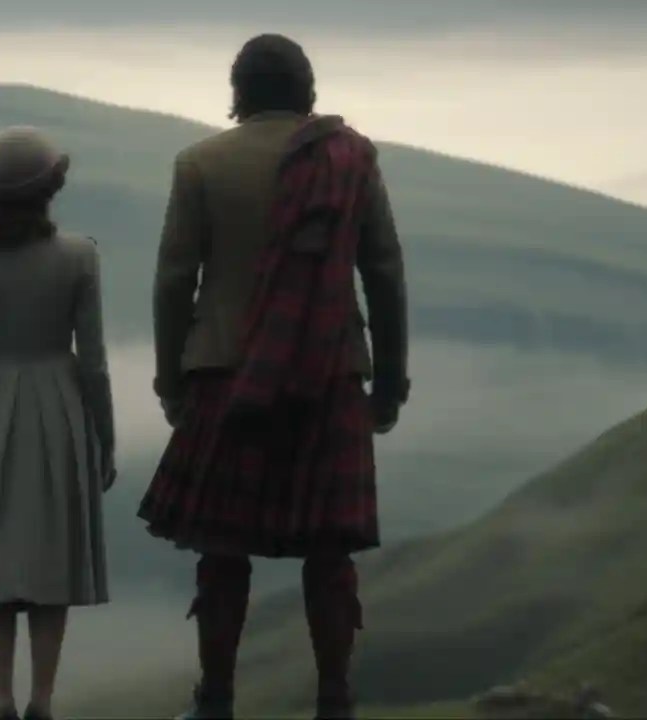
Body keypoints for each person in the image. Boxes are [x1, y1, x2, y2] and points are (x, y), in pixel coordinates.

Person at [137, 34, 410, 720]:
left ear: (238, 96)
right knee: (329, 552)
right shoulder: (351, 159)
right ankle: (335, 699)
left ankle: (217, 700)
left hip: (226, 376)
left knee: (224, 551)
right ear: (308, 93)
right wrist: (389, 383)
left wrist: (171, 379)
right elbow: (383, 272)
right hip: (328, 372)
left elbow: (174, 280)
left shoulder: (200, 163)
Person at [0, 126, 117, 720]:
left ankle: (2, 701)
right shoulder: (80, 256)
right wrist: (104, 440)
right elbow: (96, 363)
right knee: (50, 562)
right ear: (47, 192)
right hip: (59, 407)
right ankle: (42, 700)